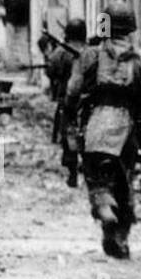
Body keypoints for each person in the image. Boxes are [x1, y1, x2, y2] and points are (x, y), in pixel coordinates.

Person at [63, 2, 141, 260]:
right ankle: (119, 236)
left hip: (95, 125)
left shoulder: (90, 55)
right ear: (131, 28)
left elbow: (72, 91)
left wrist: (71, 114)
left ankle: (103, 204)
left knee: (96, 176)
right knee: (124, 180)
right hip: (127, 130)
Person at [45, 19, 87, 187]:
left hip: (67, 100)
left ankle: (72, 172)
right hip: (87, 100)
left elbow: (50, 71)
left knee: (69, 134)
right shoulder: (90, 51)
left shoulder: (61, 52)